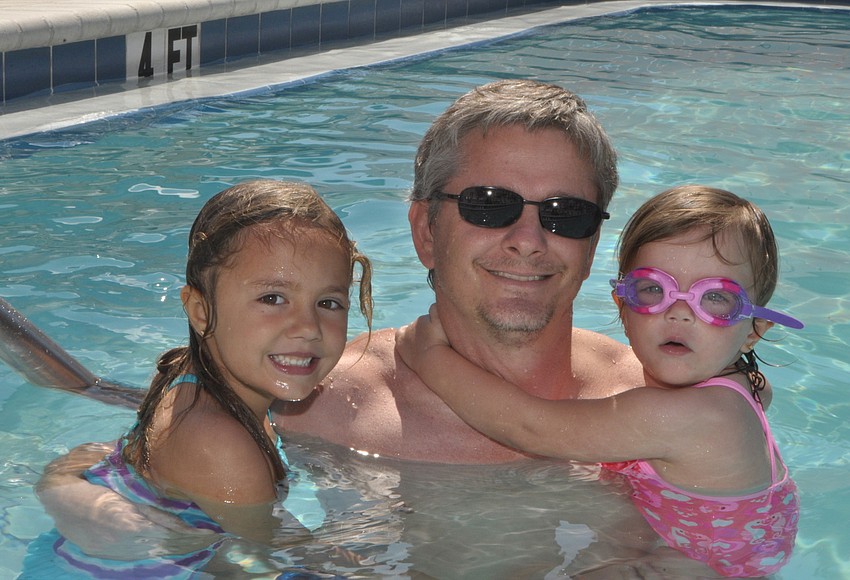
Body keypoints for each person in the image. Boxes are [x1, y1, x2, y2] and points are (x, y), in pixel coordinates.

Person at [36, 80, 647, 566]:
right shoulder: (317, 394)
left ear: (595, 240)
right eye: (489, 206)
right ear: (423, 231)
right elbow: (141, 452)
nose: (528, 240)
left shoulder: (649, 402)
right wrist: (71, 495)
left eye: (567, 213)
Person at [395, 185, 802, 577]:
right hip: (721, 552)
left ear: (755, 327)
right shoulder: (746, 387)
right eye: (652, 290)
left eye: (715, 297)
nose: (679, 314)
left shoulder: (684, 415)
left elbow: (530, 427)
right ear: (622, 305)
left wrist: (430, 357)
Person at [35, 179, 373, 573]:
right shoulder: (218, 440)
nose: (308, 326)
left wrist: (60, 482)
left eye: (328, 302)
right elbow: (292, 558)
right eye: (272, 298)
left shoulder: (194, 385)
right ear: (200, 311)